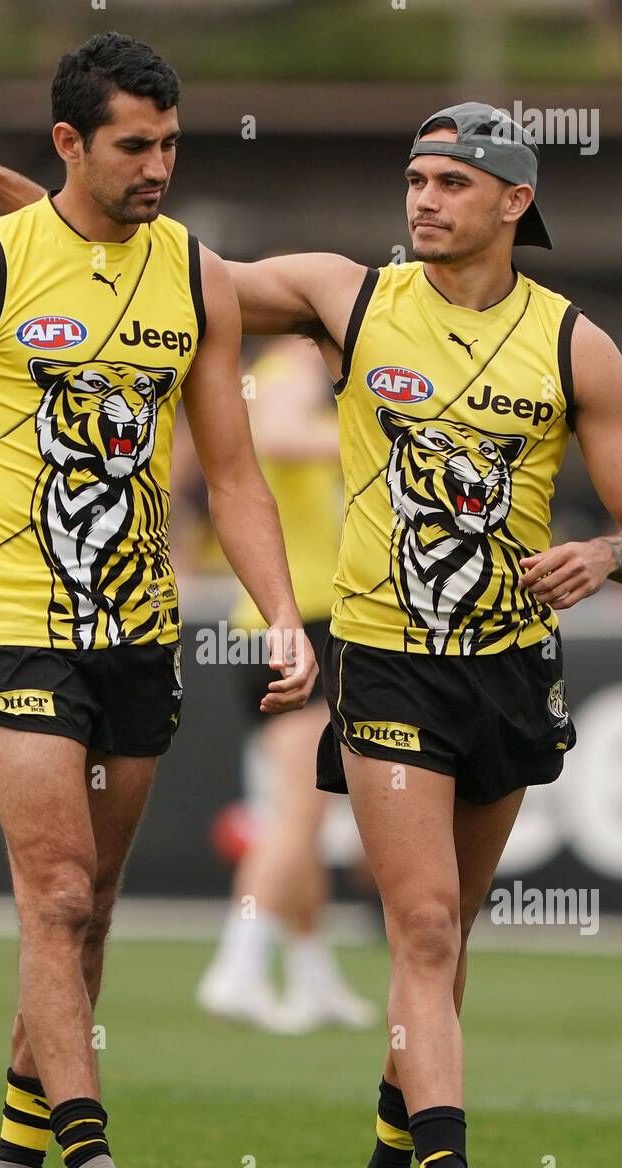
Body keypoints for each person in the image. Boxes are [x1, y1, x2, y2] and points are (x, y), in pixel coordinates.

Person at [0, 100, 622, 1168]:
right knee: (418, 923)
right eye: (412, 178)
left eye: (448, 183)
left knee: (447, 937)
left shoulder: (575, 343)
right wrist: (14, 186)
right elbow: (164, 271)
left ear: (514, 203)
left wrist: (609, 554)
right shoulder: (346, 295)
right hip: (379, 657)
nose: (419, 200)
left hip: (511, 670)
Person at [0, 33, 314, 1168]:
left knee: (89, 913)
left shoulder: (193, 276)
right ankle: (92, 1167)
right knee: (54, 893)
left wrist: (278, 609)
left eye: (170, 143)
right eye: (134, 145)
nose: (159, 165)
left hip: (142, 635)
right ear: (67, 143)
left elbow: (231, 465)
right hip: (12, 623)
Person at [196, 335, 376, 1033]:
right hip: (301, 621)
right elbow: (275, 431)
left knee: (305, 814)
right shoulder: (289, 371)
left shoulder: (302, 377)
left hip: (292, 621)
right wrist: (375, 434)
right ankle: (237, 964)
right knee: (297, 817)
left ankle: (310, 972)